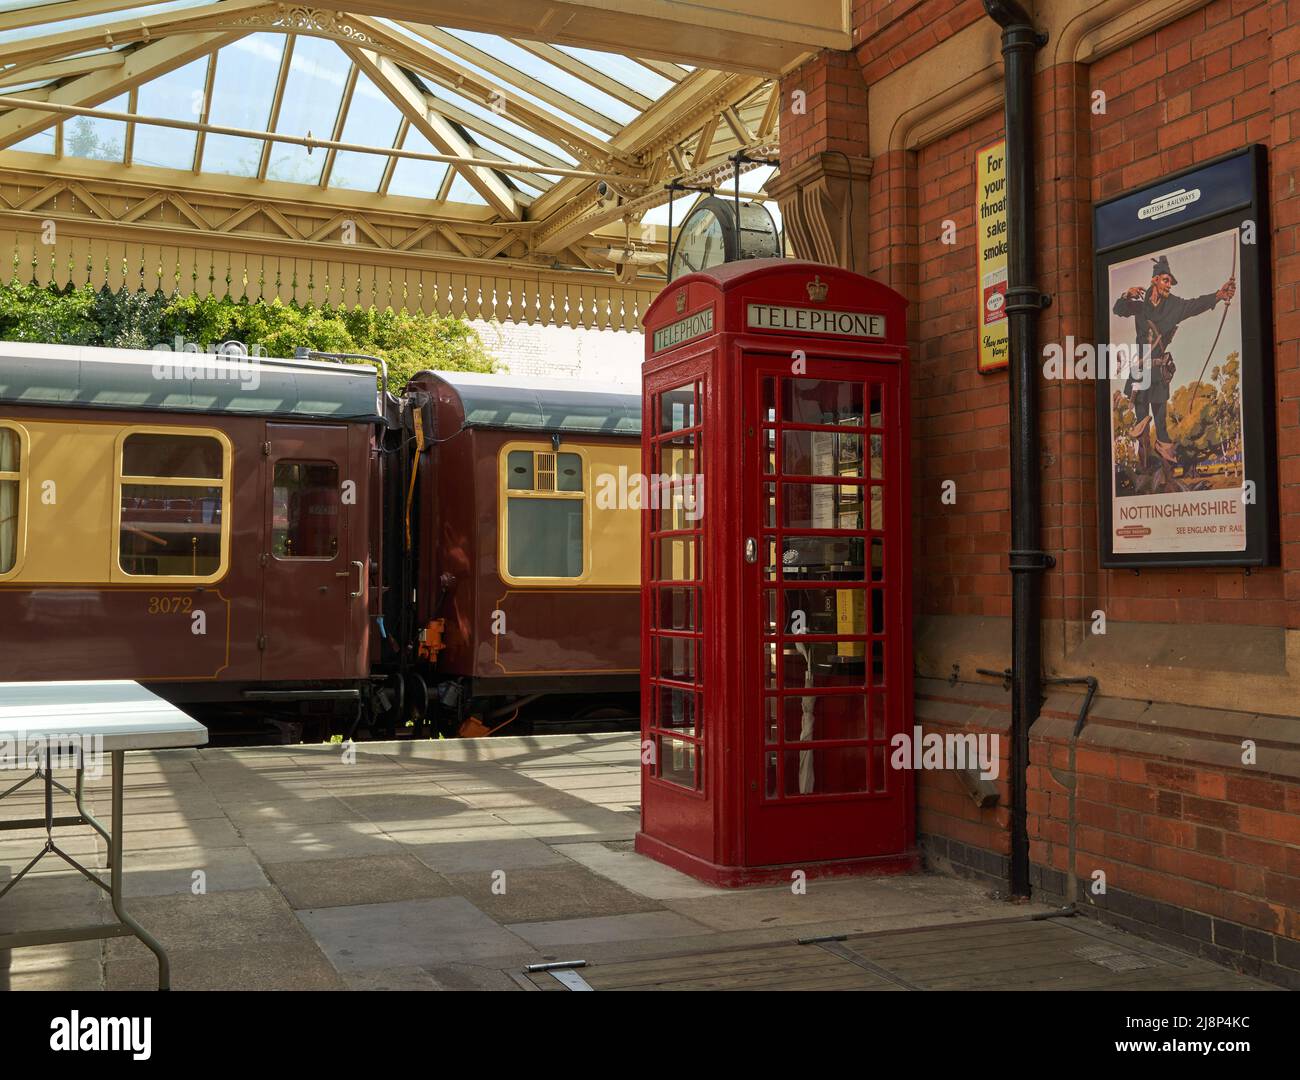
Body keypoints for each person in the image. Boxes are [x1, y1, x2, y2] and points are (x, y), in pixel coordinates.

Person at [1112, 254, 1235, 464]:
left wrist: (1218, 295)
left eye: (1171, 282)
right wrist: (1126, 294)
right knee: (1141, 424)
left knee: (1160, 424)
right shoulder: (1140, 305)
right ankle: (1145, 469)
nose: (1169, 285)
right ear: (1155, 280)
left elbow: (1195, 305)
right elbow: (1118, 310)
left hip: (1159, 372)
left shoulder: (1174, 306)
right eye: (1166, 280)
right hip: (1139, 371)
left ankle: (1167, 470)